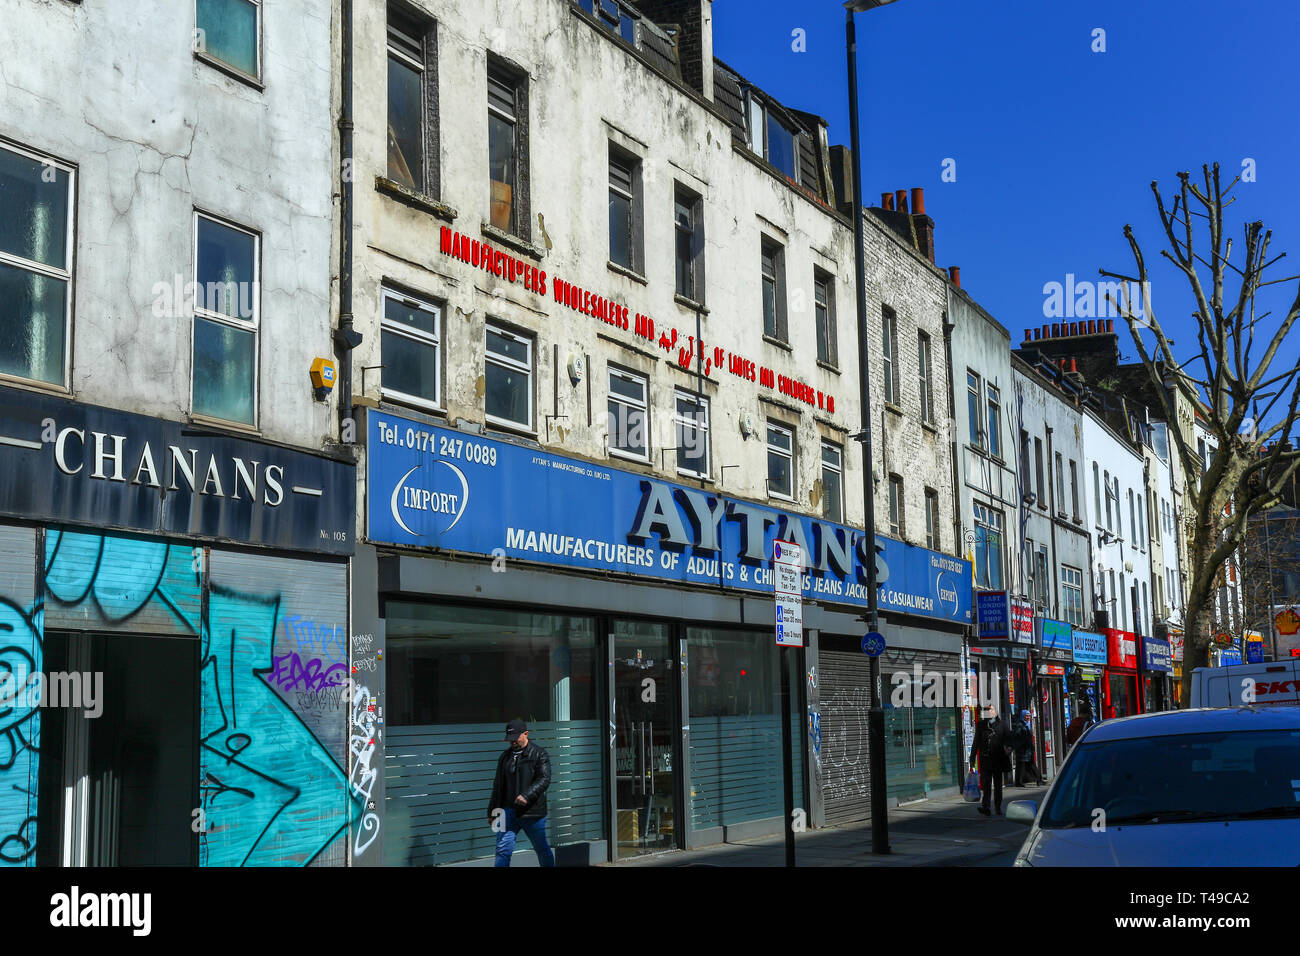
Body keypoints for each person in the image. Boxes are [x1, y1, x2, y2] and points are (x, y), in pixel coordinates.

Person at [487, 718, 555, 867]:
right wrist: (492, 811)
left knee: (541, 849)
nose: (512, 742)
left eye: (515, 738)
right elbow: (498, 786)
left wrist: (526, 795)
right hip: (507, 812)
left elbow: (544, 779)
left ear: (526, 734)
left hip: (532, 813)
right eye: (510, 739)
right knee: (502, 850)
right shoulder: (504, 757)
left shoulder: (539, 754)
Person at [968, 704, 1010, 816]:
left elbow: (1009, 741)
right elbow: (976, 742)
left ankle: (997, 807)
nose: (989, 711)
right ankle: (986, 807)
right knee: (986, 785)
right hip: (985, 759)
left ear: (995, 711)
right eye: (987, 710)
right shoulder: (981, 725)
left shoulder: (1002, 725)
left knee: (997, 785)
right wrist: (972, 759)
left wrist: (1007, 750)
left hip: (998, 759)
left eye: (991, 709)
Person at [1012, 709, 1045, 786]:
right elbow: (1018, 736)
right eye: (1026, 716)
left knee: (1027, 765)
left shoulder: (1027, 724)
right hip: (1023, 749)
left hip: (1027, 750)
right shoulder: (1020, 725)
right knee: (1022, 766)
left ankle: (1037, 780)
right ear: (1022, 716)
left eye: (1029, 715)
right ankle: (1020, 782)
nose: (1028, 717)